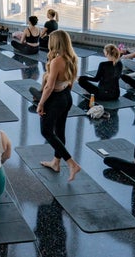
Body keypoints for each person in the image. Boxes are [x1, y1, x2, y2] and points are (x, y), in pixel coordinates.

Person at [34, 30, 82, 182]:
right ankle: (56, 162)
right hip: (66, 96)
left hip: (54, 99)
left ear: (55, 43)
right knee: (59, 131)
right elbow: (72, 80)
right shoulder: (72, 58)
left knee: (46, 132)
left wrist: (40, 104)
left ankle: (71, 163)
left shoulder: (56, 61)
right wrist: (64, 95)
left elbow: (49, 87)